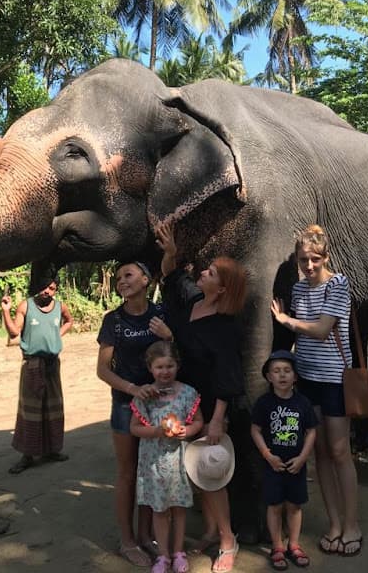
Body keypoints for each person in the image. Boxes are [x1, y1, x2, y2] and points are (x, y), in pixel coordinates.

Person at [155, 220, 246, 573]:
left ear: (222, 288)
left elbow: (227, 373)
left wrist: (218, 417)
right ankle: (210, 529)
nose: (201, 274)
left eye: (209, 273)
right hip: (186, 402)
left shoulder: (226, 324)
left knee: (212, 473)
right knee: (195, 471)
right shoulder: (194, 304)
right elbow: (172, 278)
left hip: (210, 405)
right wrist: (171, 254)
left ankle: (228, 540)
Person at [270, 224, 363, 556]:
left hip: (335, 380)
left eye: (314, 259)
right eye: (303, 260)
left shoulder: (338, 284)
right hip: (306, 379)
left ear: (326, 257)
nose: (309, 266)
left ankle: (352, 525)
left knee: (340, 452)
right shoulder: (297, 289)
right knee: (319, 453)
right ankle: (335, 523)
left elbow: (323, 330)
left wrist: (287, 322)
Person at [96, 261, 174, 567]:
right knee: (128, 473)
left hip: (158, 404)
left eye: (127, 275)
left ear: (146, 279)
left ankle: (146, 536)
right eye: (117, 278)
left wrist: (169, 336)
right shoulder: (113, 321)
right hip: (125, 405)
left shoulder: (161, 315)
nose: (121, 281)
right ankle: (127, 541)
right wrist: (132, 389)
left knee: (150, 471)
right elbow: (102, 370)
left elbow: (175, 359)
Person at [130, 341, 204, 573]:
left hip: (179, 462)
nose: (165, 371)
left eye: (169, 366)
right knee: (159, 510)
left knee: (179, 508)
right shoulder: (145, 395)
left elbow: (199, 421)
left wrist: (187, 430)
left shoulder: (188, 393)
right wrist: (155, 431)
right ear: (150, 368)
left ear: (177, 366)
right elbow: (134, 428)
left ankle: (178, 551)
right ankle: (163, 555)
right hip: (153, 464)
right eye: (159, 367)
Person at [251, 350, 318, 570]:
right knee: (274, 505)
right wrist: (267, 455)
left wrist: (302, 457)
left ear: (295, 376)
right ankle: (277, 546)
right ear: (269, 377)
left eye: (287, 371)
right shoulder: (264, 403)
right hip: (273, 465)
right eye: (276, 371)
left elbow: (311, 431)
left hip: (296, 466)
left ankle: (294, 544)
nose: (282, 375)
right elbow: (256, 430)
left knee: (295, 506)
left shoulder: (303, 403)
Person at [1, 280, 73, 474]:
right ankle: (28, 455)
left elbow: (69, 320)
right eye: (44, 287)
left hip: (52, 364)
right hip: (32, 364)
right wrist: (6, 311)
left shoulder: (60, 307)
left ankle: (52, 450)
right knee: (30, 411)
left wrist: (58, 335)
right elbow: (14, 332)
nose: (47, 291)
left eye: (52, 288)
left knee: (53, 409)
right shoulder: (26, 305)